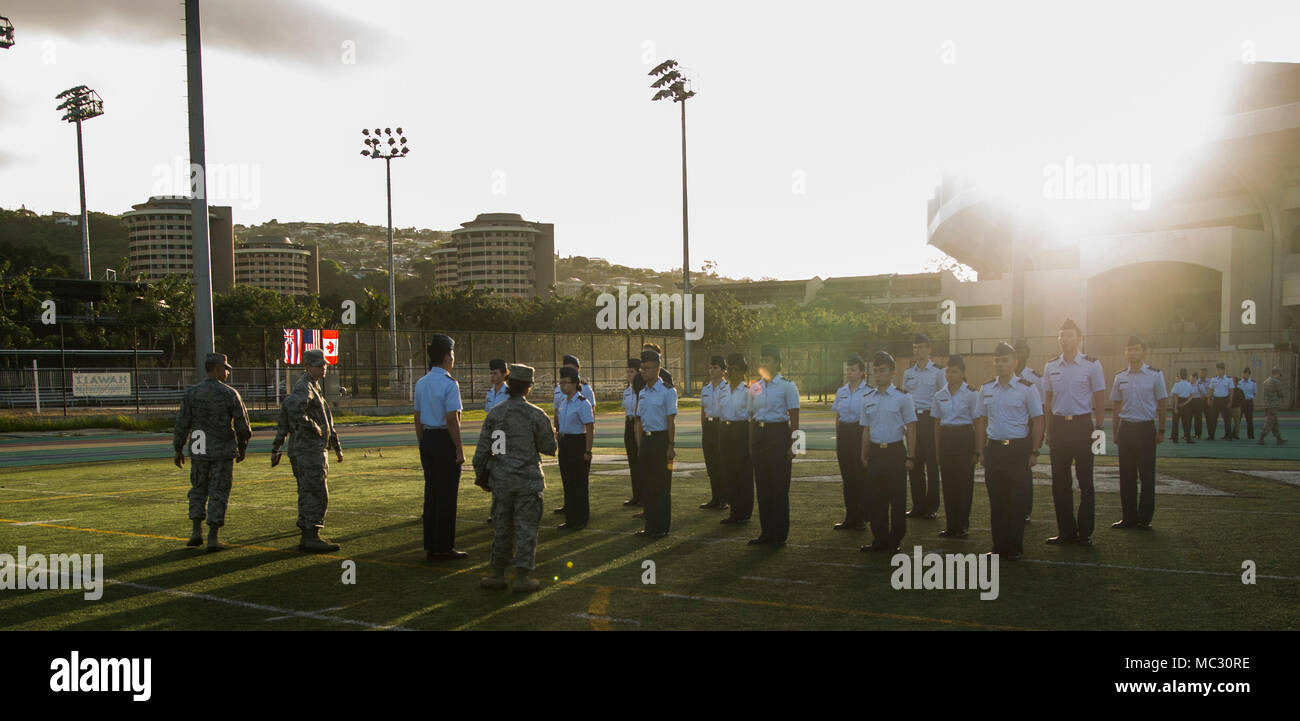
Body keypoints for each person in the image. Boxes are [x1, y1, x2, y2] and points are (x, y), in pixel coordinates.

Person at [473, 364, 558, 593]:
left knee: (502, 528)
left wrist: (482, 476)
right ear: (529, 387)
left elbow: (481, 451)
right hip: (528, 481)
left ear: (508, 384)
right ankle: (522, 576)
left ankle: (497, 574)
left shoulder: (496, 413)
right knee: (526, 528)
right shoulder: (536, 414)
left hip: (501, 480)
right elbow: (550, 447)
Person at [172, 352, 251, 553]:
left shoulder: (191, 393)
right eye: (225, 369)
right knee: (219, 490)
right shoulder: (229, 393)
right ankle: (213, 536)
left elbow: (182, 423)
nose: (227, 373)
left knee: (198, 488)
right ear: (217, 369)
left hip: (199, 446)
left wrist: (178, 447)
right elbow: (243, 425)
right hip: (221, 448)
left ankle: (196, 531)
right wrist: (242, 446)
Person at [974, 342, 1044, 561]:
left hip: (1017, 451)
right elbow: (981, 421)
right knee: (997, 501)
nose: (1000, 364)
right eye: (997, 360)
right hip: (994, 449)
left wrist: (1034, 451)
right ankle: (998, 547)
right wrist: (981, 452)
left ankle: (1013, 547)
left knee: (1016, 501)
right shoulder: (986, 389)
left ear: (1015, 362)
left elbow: (1038, 420)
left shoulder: (1027, 388)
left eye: (1005, 360)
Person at [272, 347, 345, 553]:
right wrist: (316, 428)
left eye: (324, 365)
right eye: (319, 365)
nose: (324, 368)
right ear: (307, 367)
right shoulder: (304, 387)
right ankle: (310, 535)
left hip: (310, 449)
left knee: (308, 491)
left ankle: (307, 531)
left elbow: (326, 421)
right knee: (316, 492)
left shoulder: (313, 387)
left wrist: (335, 445)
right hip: (308, 450)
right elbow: (295, 412)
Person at [1042, 318, 1105, 547]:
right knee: (1060, 482)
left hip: (1082, 426)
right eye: (1061, 336)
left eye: (1068, 335)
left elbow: (1099, 399)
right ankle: (1066, 531)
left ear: (1079, 339)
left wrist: (1099, 429)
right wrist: (1048, 432)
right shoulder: (1051, 366)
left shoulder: (1091, 364)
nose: (1064, 340)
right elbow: (1047, 402)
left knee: (1085, 481)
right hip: (1059, 426)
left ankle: (1085, 532)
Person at [414, 334, 467, 560]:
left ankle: (431, 545)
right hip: (444, 440)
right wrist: (459, 448)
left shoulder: (421, 382)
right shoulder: (449, 383)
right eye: (452, 354)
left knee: (432, 493)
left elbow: (417, 417)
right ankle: (444, 546)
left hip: (428, 439)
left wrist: (423, 442)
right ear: (447, 356)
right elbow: (452, 419)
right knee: (447, 496)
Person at [858, 351, 917, 553]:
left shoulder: (903, 397)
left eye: (882, 370)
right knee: (876, 499)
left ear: (892, 372)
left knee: (897, 499)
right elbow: (866, 429)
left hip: (894, 452)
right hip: (876, 452)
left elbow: (911, 427)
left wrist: (911, 455)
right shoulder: (867, 398)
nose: (878, 374)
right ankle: (880, 539)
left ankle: (895, 540)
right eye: (875, 371)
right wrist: (863, 454)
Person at [1110, 336, 1167, 531]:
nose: (1132, 353)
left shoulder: (1155, 375)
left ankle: (1145, 519)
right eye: (1129, 349)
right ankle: (1128, 517)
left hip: (1145, 429)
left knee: (1147, 475)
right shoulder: (1120, 377)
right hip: (1126, 429)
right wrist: (1116, 431)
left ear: (1144, 352)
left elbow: (1162, 403)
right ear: (1125, 353)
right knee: (1126, 476)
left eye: (1135, 349)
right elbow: (1116, 405)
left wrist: (1161, 429)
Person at [749, 345, 800, 547]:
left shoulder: (788, 386)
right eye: (762, 360)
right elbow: (752, 416)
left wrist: (795, 446)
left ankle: (779, 535)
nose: (764, 364)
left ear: (778, 363)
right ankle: (766, 532)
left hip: (778, 434)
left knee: (779, 487)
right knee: (762, 486)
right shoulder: (755, 386)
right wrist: (751, 443)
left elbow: (795, 418)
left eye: (769, 360)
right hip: (760, 435)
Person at [933, 354, 978, 538]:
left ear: (962, 373)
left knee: (964, 484)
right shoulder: (939, 395)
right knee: (949, 484)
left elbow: (977, 422)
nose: (950, 375)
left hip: (964, 437)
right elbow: (937, 424)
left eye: (954, 371)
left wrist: (976, 450)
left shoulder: (972, 394)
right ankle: (951, 525)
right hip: (946, 438)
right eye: (948, 371)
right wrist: (937, 449)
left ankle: (962, 525)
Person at [634, 349, 677, 538]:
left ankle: (662, 527)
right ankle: (650, 525)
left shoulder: (668, 391)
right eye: (642, 368)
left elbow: (670, 420)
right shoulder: (643, 392)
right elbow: (640, 421)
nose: (644, 371)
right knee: (648, 485)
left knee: (662, 485)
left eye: (648, 368)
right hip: (647, 441)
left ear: (658, 368)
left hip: (661, 440)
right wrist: (640, 444)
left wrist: (670, 445)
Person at [903, 333, 945, 519]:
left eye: (921, 347)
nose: (917, 350)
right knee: (914, 462)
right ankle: (918, 504)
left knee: (932, 464)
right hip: (913, 421)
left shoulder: (938, 372)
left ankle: (932, 506)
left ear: (929, 349)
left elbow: (943, 398)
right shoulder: (908, 373)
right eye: (915, 347)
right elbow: (905, 399)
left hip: (930, 420)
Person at [831, 353, 871, 530]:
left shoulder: (869, 391)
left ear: (862, 372)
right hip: (845, 434)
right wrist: (839, 436)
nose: (849, 372)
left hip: (860, 432)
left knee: (860, 476)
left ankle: (862, 516)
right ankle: (850, 516)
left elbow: (869, 419)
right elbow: (838, 417)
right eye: (848, 369)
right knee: (847, 477)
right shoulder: (842, 391)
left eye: (853, 369)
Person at [552, 354, 594, 516]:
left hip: (578, 442)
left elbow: (589, 428)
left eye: (565, 383)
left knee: (579, 482)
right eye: (561, 382)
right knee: (567, 479)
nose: (562, 386)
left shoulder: (583, 402)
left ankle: (581, 516)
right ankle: (570, 514)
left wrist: (588, 451)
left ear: (575, 384)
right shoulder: (563, 402)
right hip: (565, 442)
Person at [719, 352, 756, 526]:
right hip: (725, 430)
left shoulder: (748, 391)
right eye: (728, 369)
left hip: (741, 430)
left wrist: (750, 443)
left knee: (743, 474)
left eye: (734, 369)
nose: (729, 373)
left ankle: (744, 513)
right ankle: (734, 512)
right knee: (729, 472)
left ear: (742, 372)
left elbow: (751, 417)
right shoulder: (723, 389)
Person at [1014, 338, 1045, 522]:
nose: (1018, 354)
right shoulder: (1006, 377)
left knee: (1024, 472)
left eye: (1021, 351)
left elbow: (1039, 413)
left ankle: (1025, 510)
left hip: (1027, 431)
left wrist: (1037, 439)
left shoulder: (1035, 378)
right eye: (1015, 351)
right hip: (1011, 432)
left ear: (1027, 354)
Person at [699, 355, 730, 511]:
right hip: (709, 427)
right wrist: (704, 429)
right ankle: (715, 497)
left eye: (716, 367)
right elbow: (703, 411)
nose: (712, 370)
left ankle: (724, 499)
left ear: (724, 370)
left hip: (722, 425)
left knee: (722, 463)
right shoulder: (705, 388)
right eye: (710, 367)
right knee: (711, 464)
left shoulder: (728, 388)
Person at [621, 357, 644, 507]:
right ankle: (636, 495)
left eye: (632, 372)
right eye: (627, 372)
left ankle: (644, 496)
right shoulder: (627, 391)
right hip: (629, 424)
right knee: (632, 462)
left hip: (639, 424)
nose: (629, 374)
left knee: (642, 461)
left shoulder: (642, 390)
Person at [1258, 367, 1288, 446]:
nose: (1280, 376)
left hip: (1268, 404)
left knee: (1275, 422)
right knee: (1270, 422)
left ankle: (1279, 439)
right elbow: (1280, 393)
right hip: (1274, 405)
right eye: (1279, 374)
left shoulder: (1266, 381)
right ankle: (1261, 438)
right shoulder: (1276, 382)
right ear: (1276, 373)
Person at [1206, 362, 1235, 441]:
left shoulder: (1229, 379)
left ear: (1224, 370)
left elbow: (1231, 391)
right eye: (1217, 370)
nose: (1218, 371)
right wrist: (1209, 399)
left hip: (1225, 400)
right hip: (1216, 400)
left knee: (1227, 419)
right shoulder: (1214, 379)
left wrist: (1230, 401)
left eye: (1220, 370)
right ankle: (1211, 436)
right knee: (1213, 419)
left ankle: (1228, 436)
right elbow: (1211, 390)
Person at [1170, 369, 1195, 444]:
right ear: (1186, 375)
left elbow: (1176, 396)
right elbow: (1191, 396)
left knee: (1175, 422)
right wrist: (1185, 403)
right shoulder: (1189, 384)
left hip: (1178, 402)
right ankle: (1188, 439)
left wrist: (1176, 407)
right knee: (1186, 422)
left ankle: (1175, 439)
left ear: (1180, 375)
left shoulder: (1177, 384)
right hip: (1186, 403)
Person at [1237, 367, 1257, 440]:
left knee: (1249, 420)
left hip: (1248, 402)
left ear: (1249, 374)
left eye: (1247, 373)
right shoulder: (1239, 382)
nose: (1245, 375)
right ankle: (1235, 434)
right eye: (1244, 373)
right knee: (1237, 419)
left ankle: (1250, 435)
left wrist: (1248, 397)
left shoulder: (1253, 382)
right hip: (1240, 403)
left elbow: (1254, 393)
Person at [1188, 372, 1204, 439]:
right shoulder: (1188, 384)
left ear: (1195, 378)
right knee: (1188, 418)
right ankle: (1187, 434)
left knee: (1198, 419)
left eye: (1192, 378)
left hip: (1197, 401)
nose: (1191, 379)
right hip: (1189, 401)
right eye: (1190, 378)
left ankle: (1198, 434)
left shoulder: (1199, 384)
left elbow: (1204, 393)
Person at [1198, 368, 1212, 437]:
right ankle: (1198, 434)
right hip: (1199, 400)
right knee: (1198, 417)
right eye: (1200, 373)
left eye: (1203, 373)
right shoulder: (1197, 381)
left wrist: (1207, 397)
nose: (1201, 374)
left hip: (1207, 400)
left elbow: (1211, 390)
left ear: (1206, 373)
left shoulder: (1210, 381)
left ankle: (1210, 434)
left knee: (1209, 418)